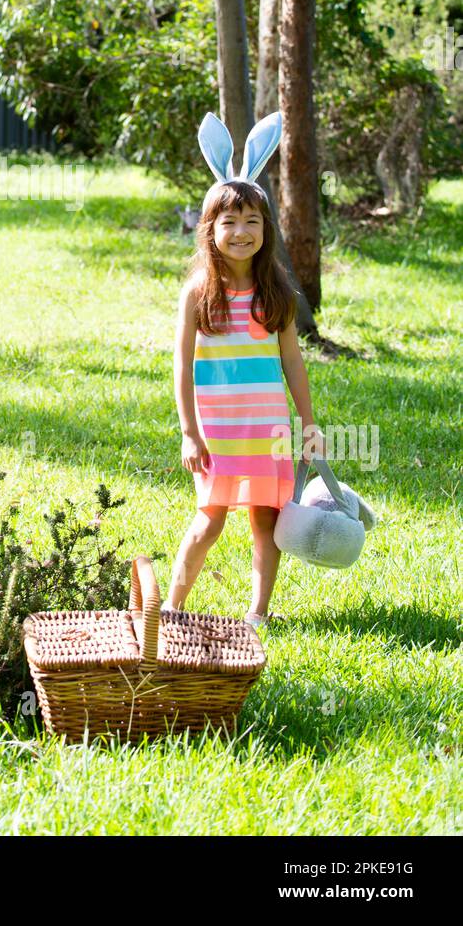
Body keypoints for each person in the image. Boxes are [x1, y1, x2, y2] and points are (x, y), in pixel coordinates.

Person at [164, 112, 324, 629]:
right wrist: (190, 433)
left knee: (266, 522)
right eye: (229, 222)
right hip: (219, 432)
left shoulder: (275, 290)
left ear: (266, 229)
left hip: (267, 428)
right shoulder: (197, 294)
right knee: (207, 522)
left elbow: (292, 362)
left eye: (252, 221)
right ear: (209, 230)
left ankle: (257, 614)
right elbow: (182, 368)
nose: (241, 232)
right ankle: (171, 607)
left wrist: (308, 422)